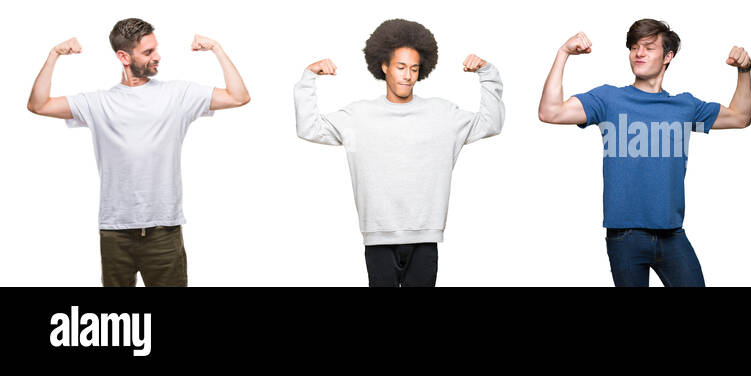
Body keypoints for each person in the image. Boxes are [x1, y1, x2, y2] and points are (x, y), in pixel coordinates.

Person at [26, 18, 251, 287]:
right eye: (148, 52)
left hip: (164, 230)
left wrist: (217, 48)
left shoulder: (178, 95)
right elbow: (38, 105)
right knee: (118, 324)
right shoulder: (99, 103)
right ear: (123, 56)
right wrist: (54, 55)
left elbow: (239, 97)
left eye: (155, 49)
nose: (157, 57)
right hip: (115, 231)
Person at [537, 19, 751, 287]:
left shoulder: (684, 107)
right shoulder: (608, 100)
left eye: (649, 47)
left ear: (668, 56)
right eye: (634, 47)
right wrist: (563, 53)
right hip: (624, 237)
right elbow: (550, 112)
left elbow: (740, 117)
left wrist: (745, 70)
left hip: (672, 235)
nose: (639, 53)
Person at [294, 19, 504, 287]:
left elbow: (491, 123)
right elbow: (309, 127)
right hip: (379, 235)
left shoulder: (443, 114)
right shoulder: (358, 116)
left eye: (414, 68)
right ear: (384, 66)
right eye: (401, 67)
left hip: (425, 235)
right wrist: (308, 78)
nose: (408, 75)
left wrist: (487, 74)